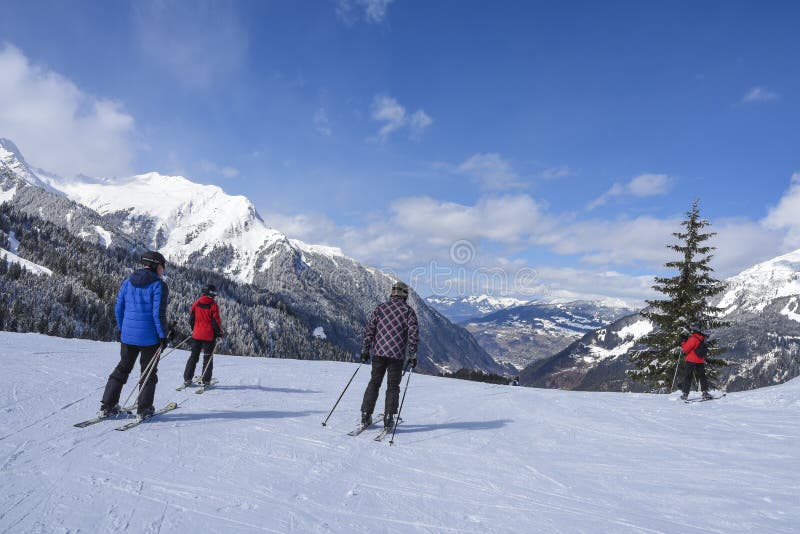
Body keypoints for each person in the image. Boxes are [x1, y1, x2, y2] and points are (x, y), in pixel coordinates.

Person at [100, 251, 170, 419]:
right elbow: (158, 314)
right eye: (162, 267)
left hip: (128, 336)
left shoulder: (128, 281)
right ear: (155, 265)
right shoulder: (159, 285)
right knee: (148, 373)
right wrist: (163, 336)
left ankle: (108, 405)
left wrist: (122, 329)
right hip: (150, 339)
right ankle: (144, 409)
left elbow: (118, 308)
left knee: (122, 368)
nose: (163, 270)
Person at [359, 281, 419, 429]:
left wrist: (365, 349)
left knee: (374, 383)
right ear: (405, 295)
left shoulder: (380, 308)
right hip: (397, 356)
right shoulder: (408, 311)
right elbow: (413, 334)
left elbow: (370, 329)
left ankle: (366, 414)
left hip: (379, 353)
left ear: (392, 293)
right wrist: (412, 354)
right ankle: (389, 417)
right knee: (393, 386)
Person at [183, 284, 224, 387]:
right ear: (210, 293)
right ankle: (206, 380)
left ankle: (187, 378)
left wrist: (195, 330)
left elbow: (191, 319)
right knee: (207, 358)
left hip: (196, 335)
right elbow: (216, 322)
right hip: (209, 337)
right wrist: (219, 334)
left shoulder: (196, 303)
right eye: (214, 293)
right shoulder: (213, 305)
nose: (215, 295)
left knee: (193, 356)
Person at [679, 327, 712, 401]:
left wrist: (683, 342)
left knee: (688, 377)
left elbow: (685, 350)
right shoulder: (703, 338)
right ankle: (705, 393)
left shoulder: (693, 338)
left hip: (691, 360)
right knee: (702, 376)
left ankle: (685, 394)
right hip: (700, 360)